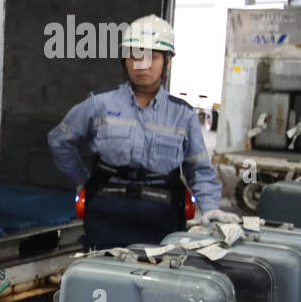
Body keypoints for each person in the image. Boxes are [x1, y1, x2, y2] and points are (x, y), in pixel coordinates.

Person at [48, 14, 236, 249]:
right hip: (106, 215)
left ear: (167, 62)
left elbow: (199, 170)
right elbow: (59, 140)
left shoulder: (182, 115)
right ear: (125, 60)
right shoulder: (100, 104)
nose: (142, 64)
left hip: (162, 218)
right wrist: (82, 179)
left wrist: (211, 209)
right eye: (135, 55)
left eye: (153, 57)